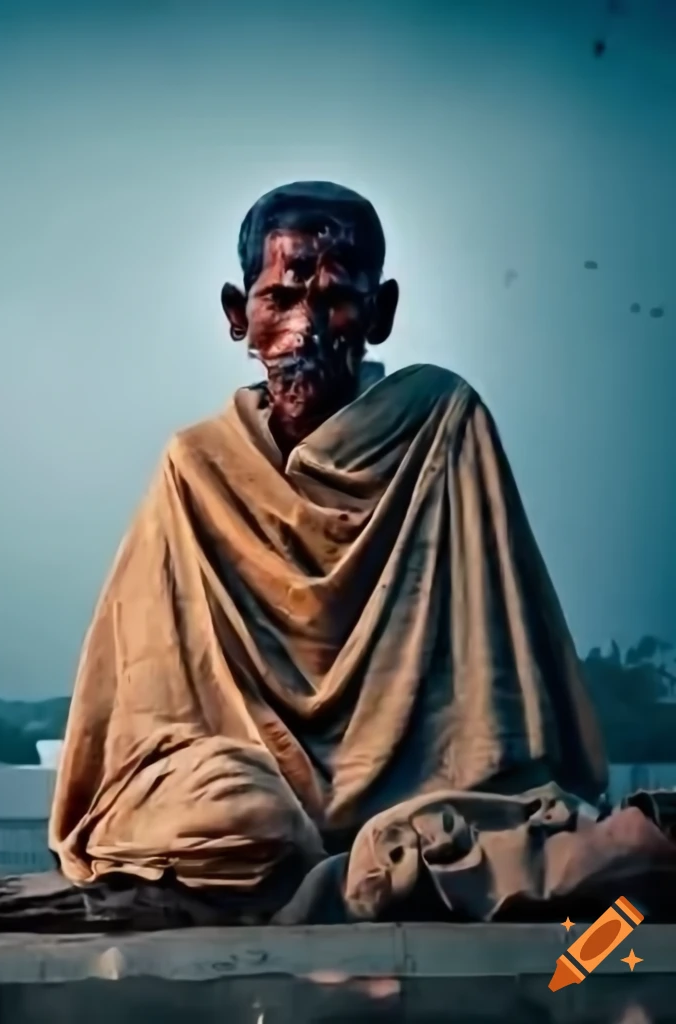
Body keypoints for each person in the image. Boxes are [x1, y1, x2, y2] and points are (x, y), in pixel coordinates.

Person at [49, 181, 607, 899]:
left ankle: (372, 861)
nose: (306, 330)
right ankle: (362, 869)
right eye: (280, 300)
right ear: (236, 315)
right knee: (239, 815)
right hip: (258, 794)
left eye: (335, 299)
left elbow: (492, 687)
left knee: (452, 828)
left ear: (381, 311)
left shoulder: (440, 422)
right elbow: (148, 712)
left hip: (419, 786)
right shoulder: (196, 465)